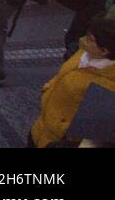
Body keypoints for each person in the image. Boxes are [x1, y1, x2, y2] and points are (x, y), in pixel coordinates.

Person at [30, 12, 115, 147]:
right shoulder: (85, 53)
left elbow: (96, 124)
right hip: (41, 126)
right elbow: (62, 74)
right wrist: (48, 87)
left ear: (104, 51)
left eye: (90, 39)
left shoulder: (108, 85)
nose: (83, 40)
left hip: (57, 138)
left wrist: (64, 130)